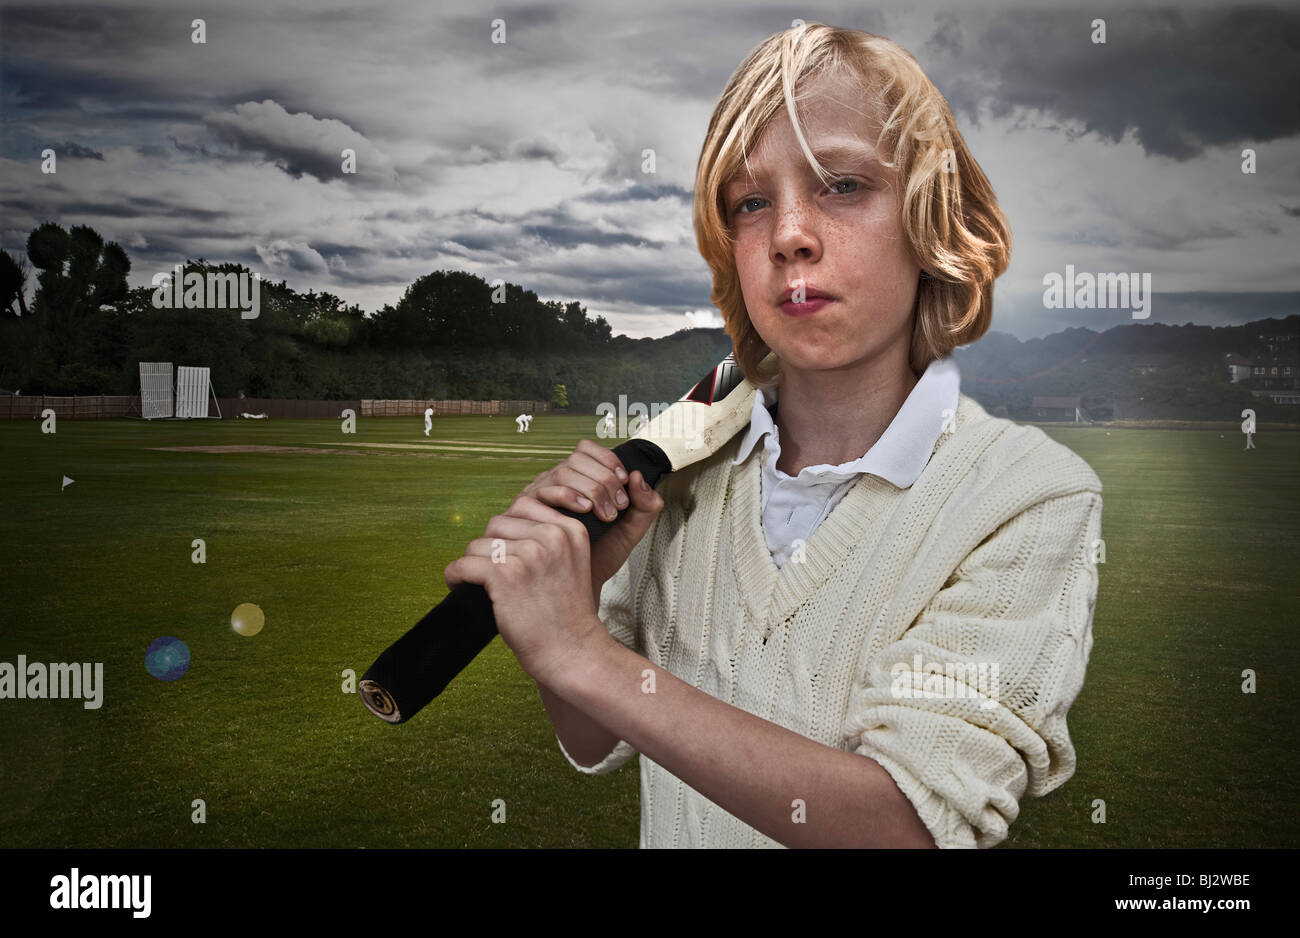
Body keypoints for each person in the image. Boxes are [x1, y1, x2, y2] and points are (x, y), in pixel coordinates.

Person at [444, 23, 1103, 848]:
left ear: (931, 219)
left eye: (842, 184)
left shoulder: (1028, 496)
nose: (790, 232)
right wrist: (571, 606)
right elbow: (597, 735)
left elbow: (903, 825)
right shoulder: (681, 472)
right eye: (751, 203)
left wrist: (582, 654)